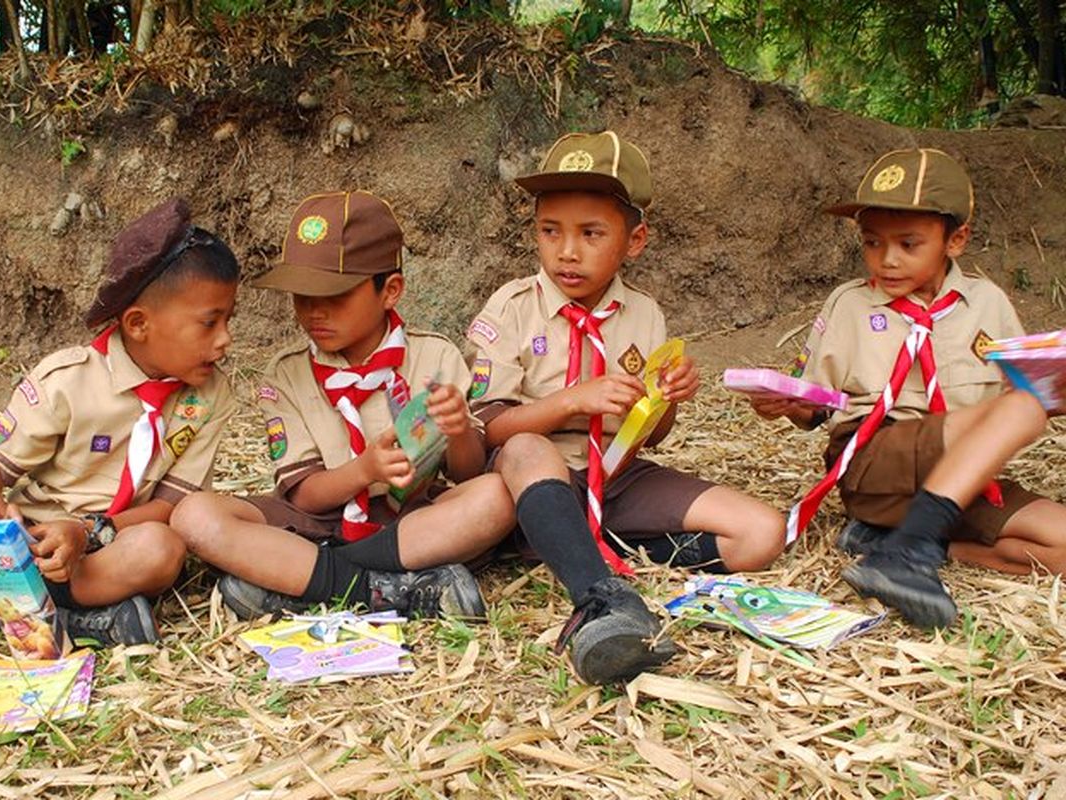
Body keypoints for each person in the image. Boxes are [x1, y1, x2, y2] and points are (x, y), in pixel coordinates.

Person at [465, 131, 785, 683]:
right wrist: (571, 400)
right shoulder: (513, 306)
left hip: (616, 475)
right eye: (550, 231)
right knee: (524, 447)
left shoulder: (643, 315)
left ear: (634, 241)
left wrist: (669, 400)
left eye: (591, 234)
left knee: (761, 533)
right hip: (532, 476)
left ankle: (576, 542)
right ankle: (601, 599)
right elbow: (489, 427)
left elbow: (650, 436)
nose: (567, 251)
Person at [0, 197, 239, 648]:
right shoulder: (68, 380)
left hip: (105, 547)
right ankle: (76, 623)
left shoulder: (210, 396)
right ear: (138, 323)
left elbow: (169, 507)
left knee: (163, 550)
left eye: (228, 319)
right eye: (209, 323)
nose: (225, 340)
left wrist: (85, 532)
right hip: (26, 537)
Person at [750, 147, 1066, 628]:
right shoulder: (850, 305)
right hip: (875, 462)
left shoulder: (987, 304)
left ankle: (917, 544)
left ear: (955, 240)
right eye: (873, 243)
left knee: (1060, 544)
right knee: (1025, 409)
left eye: (908, 244)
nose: (887, 260)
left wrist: (1054, 392)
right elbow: (815, 407)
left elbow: (1014, 399)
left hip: (962, 479)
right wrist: (788, 406)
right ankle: (908, 550)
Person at [170, 190, 514, 621]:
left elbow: (467, 473)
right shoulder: (287, 374)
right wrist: (364, 471)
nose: (315, 312)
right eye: (302, 295)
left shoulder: (436, 358)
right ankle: (386, 588)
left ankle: (302, 582)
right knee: (194, 517)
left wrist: (460, 430)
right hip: (313, 526)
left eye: (334, 295)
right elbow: (305, 495)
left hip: (408, 521)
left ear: (390, 290)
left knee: (496, 497)